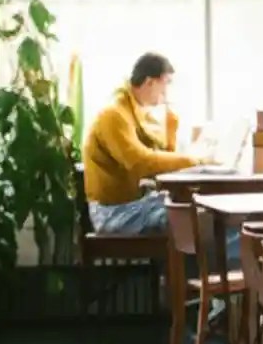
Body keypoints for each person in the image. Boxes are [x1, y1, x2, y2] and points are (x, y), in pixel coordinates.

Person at [82, 52, 200, 235]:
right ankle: (239, 251)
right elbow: (140, 162)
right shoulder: (113, 115)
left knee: (196, 208)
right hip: (112, 213)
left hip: (131, 205)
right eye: (166, 84)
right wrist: (195, 161)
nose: (166, 93)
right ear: (150, 82)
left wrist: (171, 128)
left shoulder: (133, 112)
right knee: (190, 217)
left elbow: (160, 161)